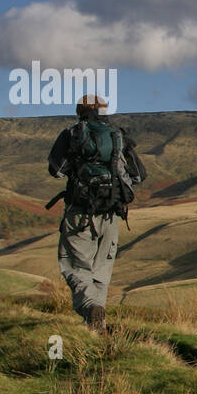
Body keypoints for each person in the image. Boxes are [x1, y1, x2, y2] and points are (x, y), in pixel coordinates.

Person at [45, 94, 146, 332]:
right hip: (111, 214)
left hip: (80, 214)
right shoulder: (117, 136)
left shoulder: (72, 134)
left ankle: (91, 309)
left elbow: (56, 171)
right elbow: (138, 176)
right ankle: (97, 329)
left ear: (79, 111)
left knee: (74, 267)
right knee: (101, 272)